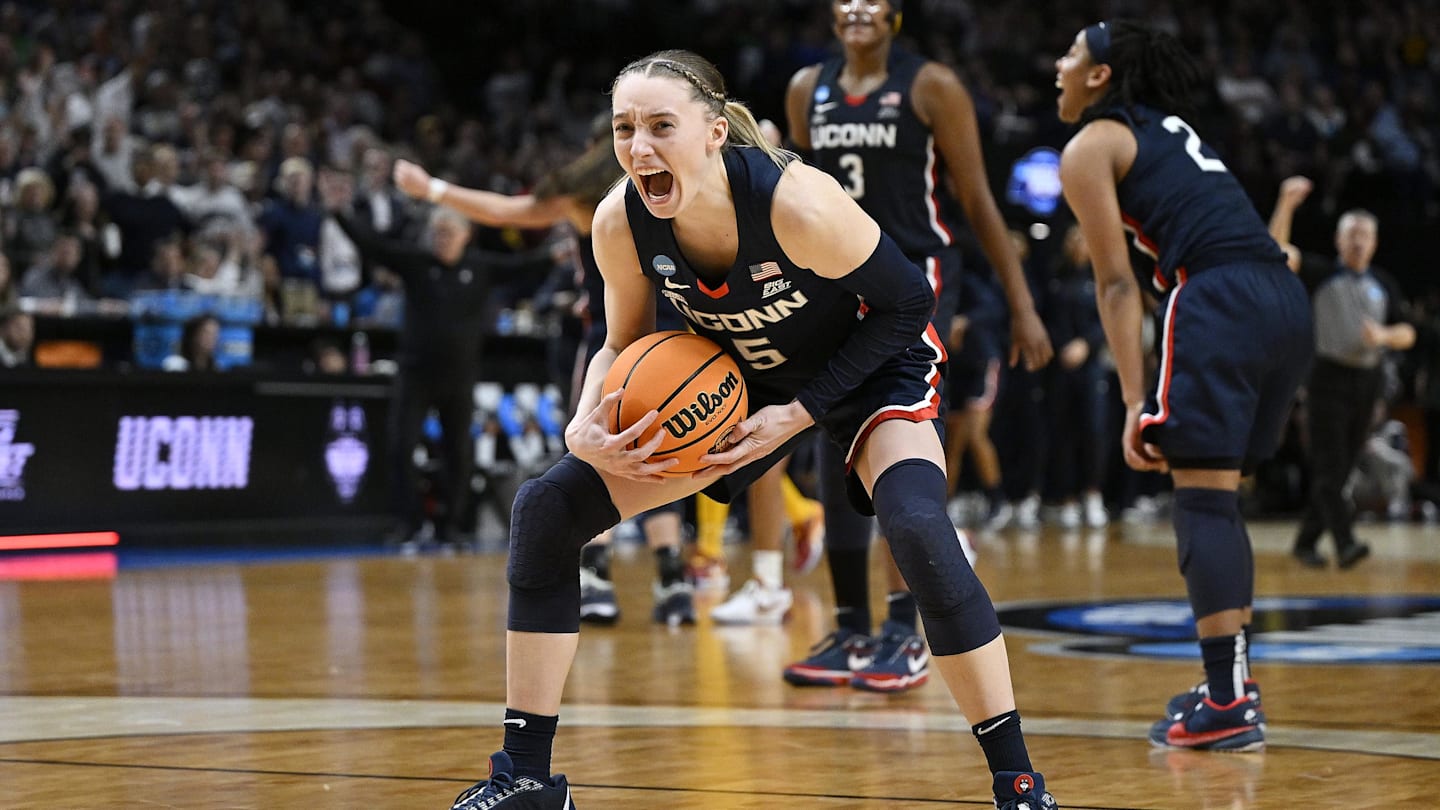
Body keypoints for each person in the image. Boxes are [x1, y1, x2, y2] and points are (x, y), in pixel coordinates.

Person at [448, 49, 1055, 810]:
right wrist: (583, 425)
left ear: (712, 132)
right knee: (545, 510)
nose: (639, 147)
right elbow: (618, 344)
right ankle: (528, 777)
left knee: (920, 533)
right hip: (746, 381)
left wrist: (799, 417)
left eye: (661, 126)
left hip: (873, 365)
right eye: (624, 127)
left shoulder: (798, 204)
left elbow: (907, 307)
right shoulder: (619, 219)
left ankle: (1019, 785)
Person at [777, 0, 1052, 691]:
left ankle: (904, 626)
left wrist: (1021, 305)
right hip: (834, 279)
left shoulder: (932, 86)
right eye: (845, 0)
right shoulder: (808, 89)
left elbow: (978, 198)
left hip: (916, 282)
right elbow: (798, 196)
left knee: (897, 431)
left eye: (873, 0)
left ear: (896, 15)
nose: (857, 9)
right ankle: (850, 625)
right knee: (830, 429)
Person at [1056, 21, 1313, 752]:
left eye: (1072, 55)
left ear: (1101, 76)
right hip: (1282, 297)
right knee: (1218, 498)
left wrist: (1136, 402)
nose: (1058, 66)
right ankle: (1229, 685)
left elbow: (1114, 283)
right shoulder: (1169, 127)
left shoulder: (1089, 146)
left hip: (1220, 299)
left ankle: (1227, 703)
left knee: (1199, 499)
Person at [319, 168, 540, 552]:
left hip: (460, 377)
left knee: (459, 453)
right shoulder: (417, 262)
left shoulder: (480, 267)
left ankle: (451, 527)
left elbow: (525, 268)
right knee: (400, 447)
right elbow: (373, 246)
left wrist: (560, 251)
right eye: (437, 232)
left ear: (465, 235)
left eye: (449, 232)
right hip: (416, 373)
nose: (442, 239)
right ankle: (407, 523)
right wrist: (339, 214)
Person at [1267, 176, 1415, 569]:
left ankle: (1304, 542)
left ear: (1375, 242)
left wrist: (1383, 334)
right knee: (1331, 469)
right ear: (1338, 241)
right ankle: (1346, 542)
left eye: (1365, 235)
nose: (1358, 241)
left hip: (1367, 383)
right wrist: (1286, 203)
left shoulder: (1384, 284)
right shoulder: (1320, 274)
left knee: (1342, 469)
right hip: (1326, 380)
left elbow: (1408, 332)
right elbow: (1275, 251)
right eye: (1351, 234)